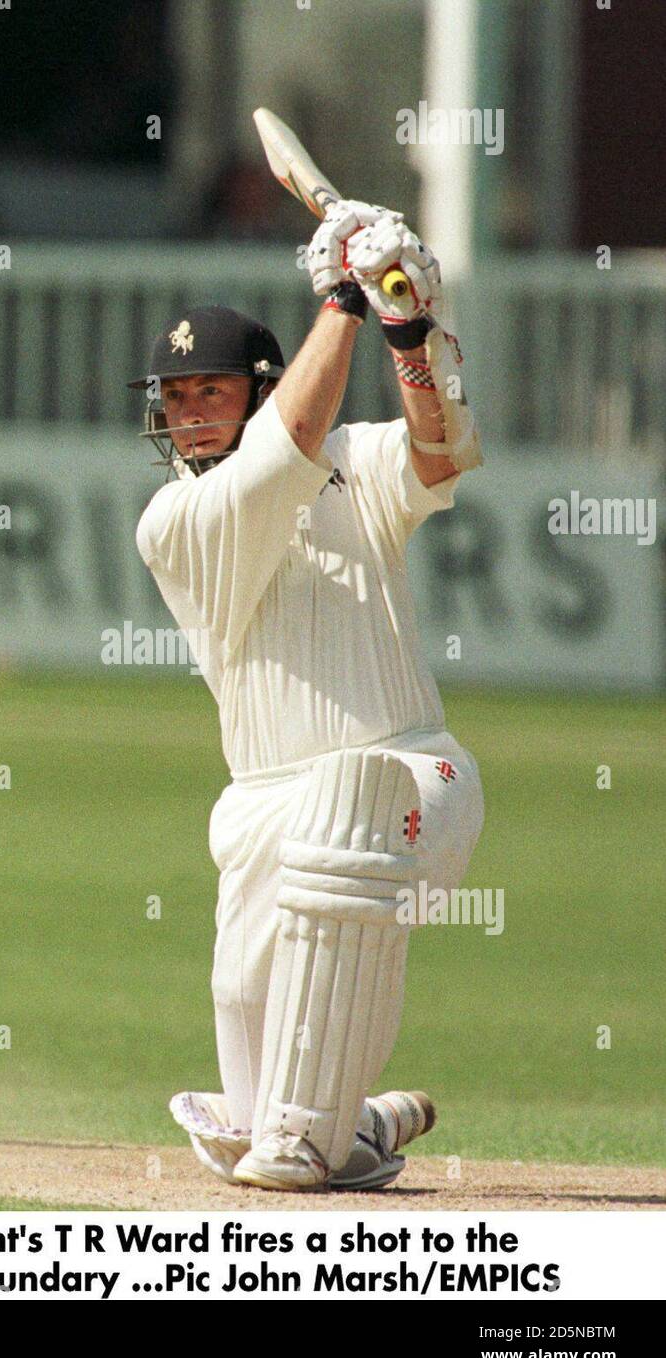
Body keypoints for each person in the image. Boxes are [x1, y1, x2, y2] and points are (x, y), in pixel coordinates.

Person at [130, 202, 485, 1191]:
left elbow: (438, 451)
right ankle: (353, 1124)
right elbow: (283, 440)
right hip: (260, 807)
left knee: (344, 818)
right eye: (175, 395)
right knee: (251, 1072)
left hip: (411, 772)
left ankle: (313, 1136)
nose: (191, 411)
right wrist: (345, 294)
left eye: (211, 390)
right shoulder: (175, 521)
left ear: (255, 386)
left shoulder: (350, 460)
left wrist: (408, 331)